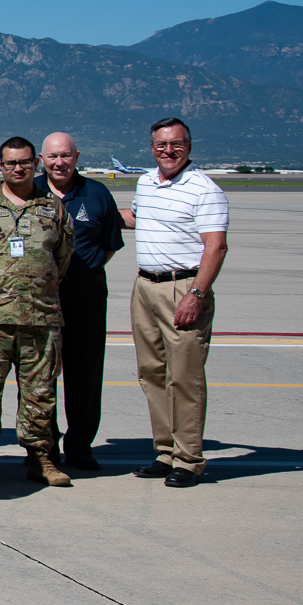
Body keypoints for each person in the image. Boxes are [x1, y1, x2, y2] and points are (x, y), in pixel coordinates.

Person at [0, 136, 74, 489]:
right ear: (0, 166)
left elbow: (63, 258)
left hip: (41, 317)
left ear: (35, 164)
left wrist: (40, 290)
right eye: (11, 163)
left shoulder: (52, 208)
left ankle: (39, 456)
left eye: (24, 162)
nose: (18, 168)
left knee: (40, 392)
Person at [118, 117, 230, 488]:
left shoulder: (204, 190)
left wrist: (196, 294)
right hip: (145, 286)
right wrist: (88, 211)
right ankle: (165, 452)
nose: (168, 151)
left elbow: (216, 246)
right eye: (161, 145)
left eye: (176, 144)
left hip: (183, 287)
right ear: (152, 148)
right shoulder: (146, 182)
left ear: (189, 147)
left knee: (185, 376)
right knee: (152, 373)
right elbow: (136, 218)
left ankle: (189, 459)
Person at [37, 131, 127, 470]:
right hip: (41, 296)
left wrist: (82, 272)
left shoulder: (97, 193)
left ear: (77, 157)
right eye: (53, 156)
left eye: (66, 155)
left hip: (85, 294)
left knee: (85, 372)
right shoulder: (30, 190)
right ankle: (44, 445)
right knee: (39, 372)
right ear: (42, 160)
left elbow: (109, 245)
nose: (59, 162)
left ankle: (80, 445)